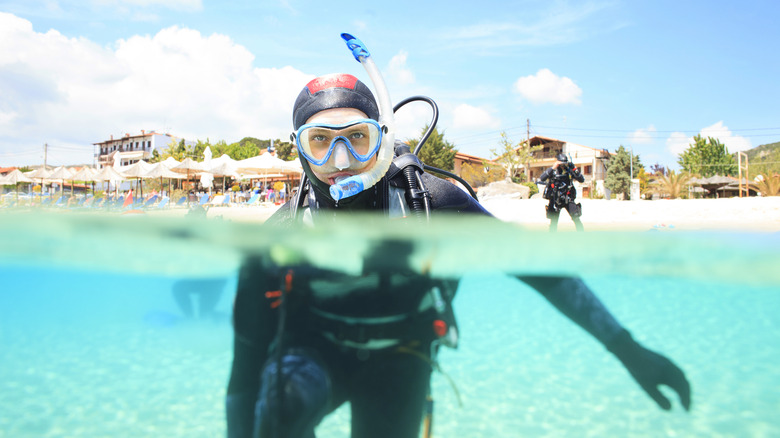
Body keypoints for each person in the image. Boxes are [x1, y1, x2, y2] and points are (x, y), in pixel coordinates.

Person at [226, 72, 691, 438]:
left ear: (381, 140)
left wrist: (627, 348)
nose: (341, 160)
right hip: (313, 352)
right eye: (320, 141)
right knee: (275, 411)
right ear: (298, 147)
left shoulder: (433, 204)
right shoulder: (277, 238)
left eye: (357, 138)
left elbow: (538, 269)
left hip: (400, 356)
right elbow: (243, 379)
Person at [539, 154, 585, 232]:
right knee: (554, 222)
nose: (563, 166)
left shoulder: (569, 170)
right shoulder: (553, 171)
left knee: (576, 217)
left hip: (568, 197)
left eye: (565, 163)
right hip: (555, 198)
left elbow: (581, 180)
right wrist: (553, 167)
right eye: (561, 163)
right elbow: (542, 178)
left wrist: (574, 168)